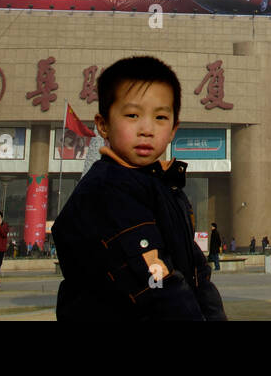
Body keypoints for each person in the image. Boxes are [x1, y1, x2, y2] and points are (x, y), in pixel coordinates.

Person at [52, 55, 226, 320]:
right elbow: (155, 280)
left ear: (173, 129)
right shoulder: (109, 190)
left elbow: (196, 270)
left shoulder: (162, 186)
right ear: (103, 125)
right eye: (132, 115)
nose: (147, 129)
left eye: (160, 117)